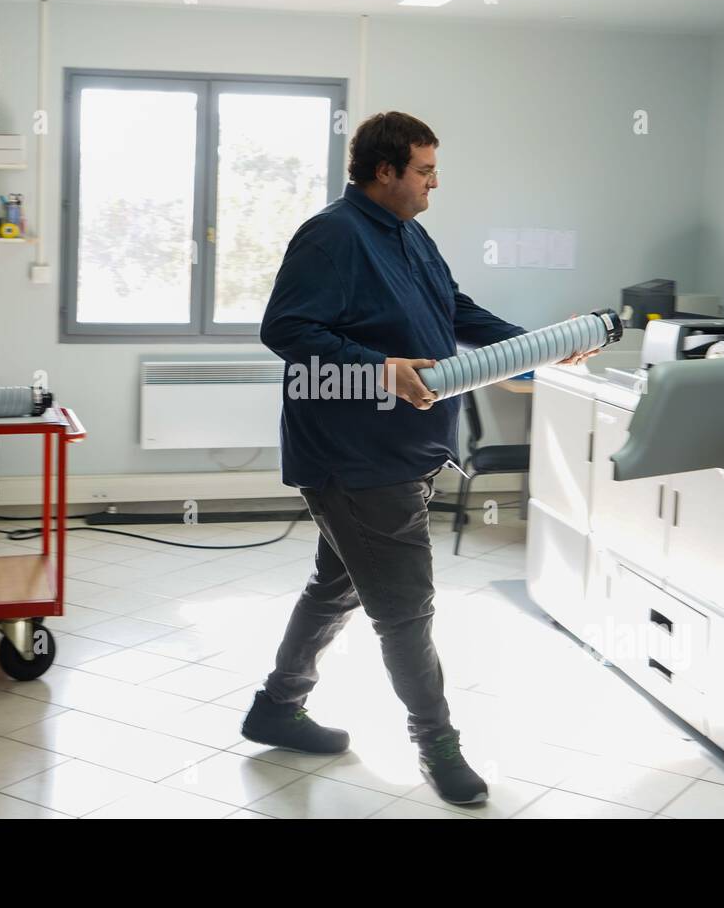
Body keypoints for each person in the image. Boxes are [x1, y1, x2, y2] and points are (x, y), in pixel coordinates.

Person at [241, 111, 595, 805]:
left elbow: (454, 312)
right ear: (386, 172)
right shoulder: (332, 236)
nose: (436, 182)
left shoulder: (410, 235)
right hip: (354, 454)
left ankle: (278, 708)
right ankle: (437, 744)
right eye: (425, 171)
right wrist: (378, 369)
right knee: (406, 608)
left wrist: (542, 345)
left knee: (337, 584)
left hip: (405, 449)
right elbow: (285, 329)